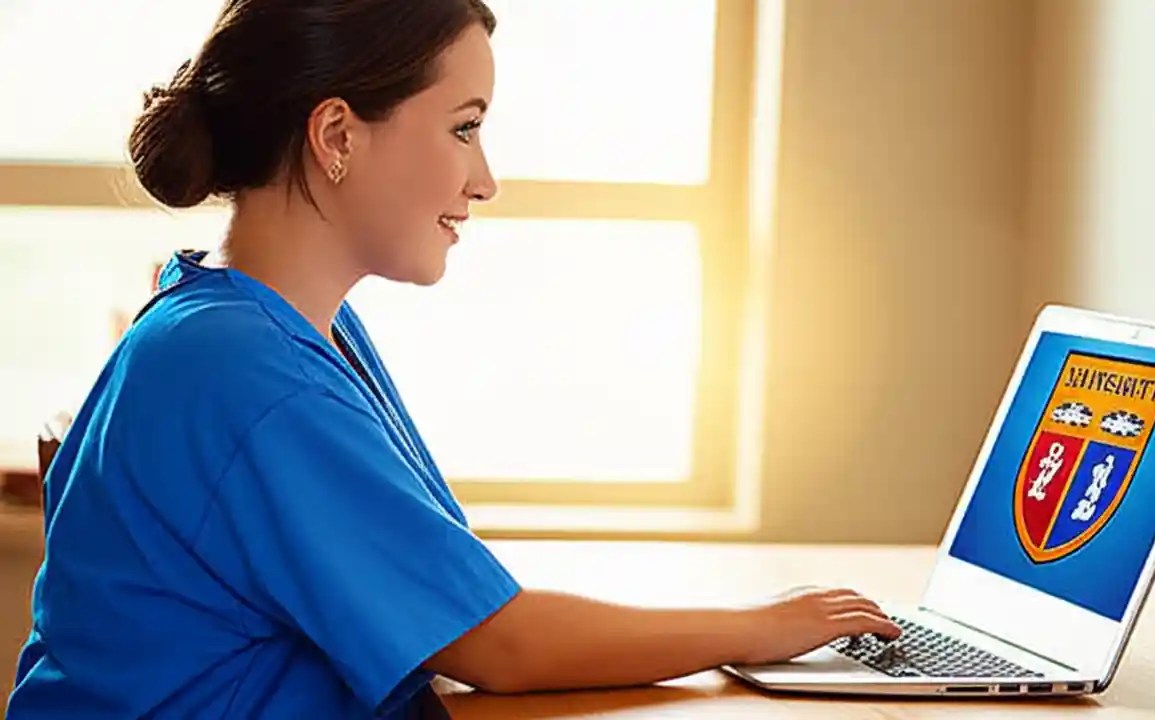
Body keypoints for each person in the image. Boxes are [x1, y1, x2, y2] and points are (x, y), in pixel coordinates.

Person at [7, 1, 900, 717]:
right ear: (337, 136)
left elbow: (456, 601)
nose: (485, 179)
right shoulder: (239, 371)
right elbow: (497, 646)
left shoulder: (275, 329)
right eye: (464, 128)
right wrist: (758, 629)